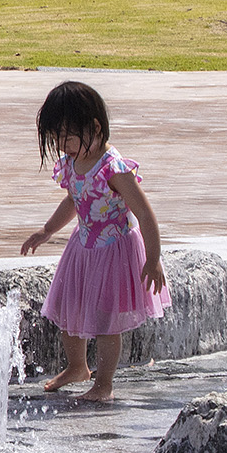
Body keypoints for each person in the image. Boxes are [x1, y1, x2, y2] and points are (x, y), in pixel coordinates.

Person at [22, 79, 169, 404]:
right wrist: (47, 230)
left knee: (106, 321)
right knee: (66, 308)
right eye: (56, 137)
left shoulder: (113, 168)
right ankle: (77, 367)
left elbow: (144, 213)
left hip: (114, 249)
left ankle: (104, 383)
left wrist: (153, 258)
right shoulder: (73, 163)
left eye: (67, 136)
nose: (62, 145)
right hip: (83, 246)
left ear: (94, 127)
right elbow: (74, 200)